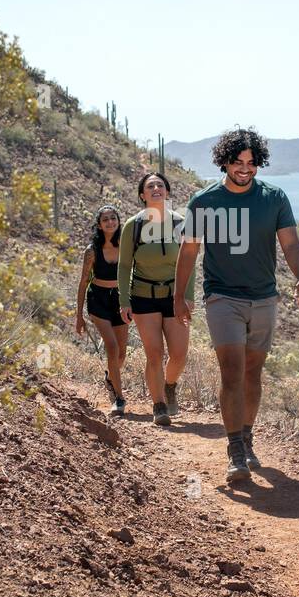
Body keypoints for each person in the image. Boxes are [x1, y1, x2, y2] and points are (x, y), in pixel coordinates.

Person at [174, 128, 299, 484]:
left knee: (253, 373)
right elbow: (189, 250)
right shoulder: (204, 201)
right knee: (231, 371)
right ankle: (234, 449)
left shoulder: (274, 198)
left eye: (252, 162)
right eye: (238, 162)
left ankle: (246, 436)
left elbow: (291, 244)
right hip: (222, 297)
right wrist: (179, 295)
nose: (245, 168)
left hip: (264, 297)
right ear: (225, 161)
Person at [118, 172, 193, 427]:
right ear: (142, 195)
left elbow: (189, 262)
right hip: (143, 296)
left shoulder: (181, 223)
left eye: (160, 185)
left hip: (175, 297)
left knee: (180, 354)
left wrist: (188, 296)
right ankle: (159, 405)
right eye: (150, 186)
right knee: (154, 353)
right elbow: (125, 264)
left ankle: (170, 385)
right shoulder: (133, 225)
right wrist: (124, 300)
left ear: (168, 192)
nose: (156, 188)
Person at [75, 206, 129, 416]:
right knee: (112, 347)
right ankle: (119, 397)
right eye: (105, 219)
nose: (110, 222)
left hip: (120, 299)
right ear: (99, 225)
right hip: (98, 301)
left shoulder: (126, 246)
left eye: (113, 218)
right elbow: (82, 283)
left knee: (122, 353)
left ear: (118, 221)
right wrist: (79, 315)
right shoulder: (91, 251)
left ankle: (110, 378)